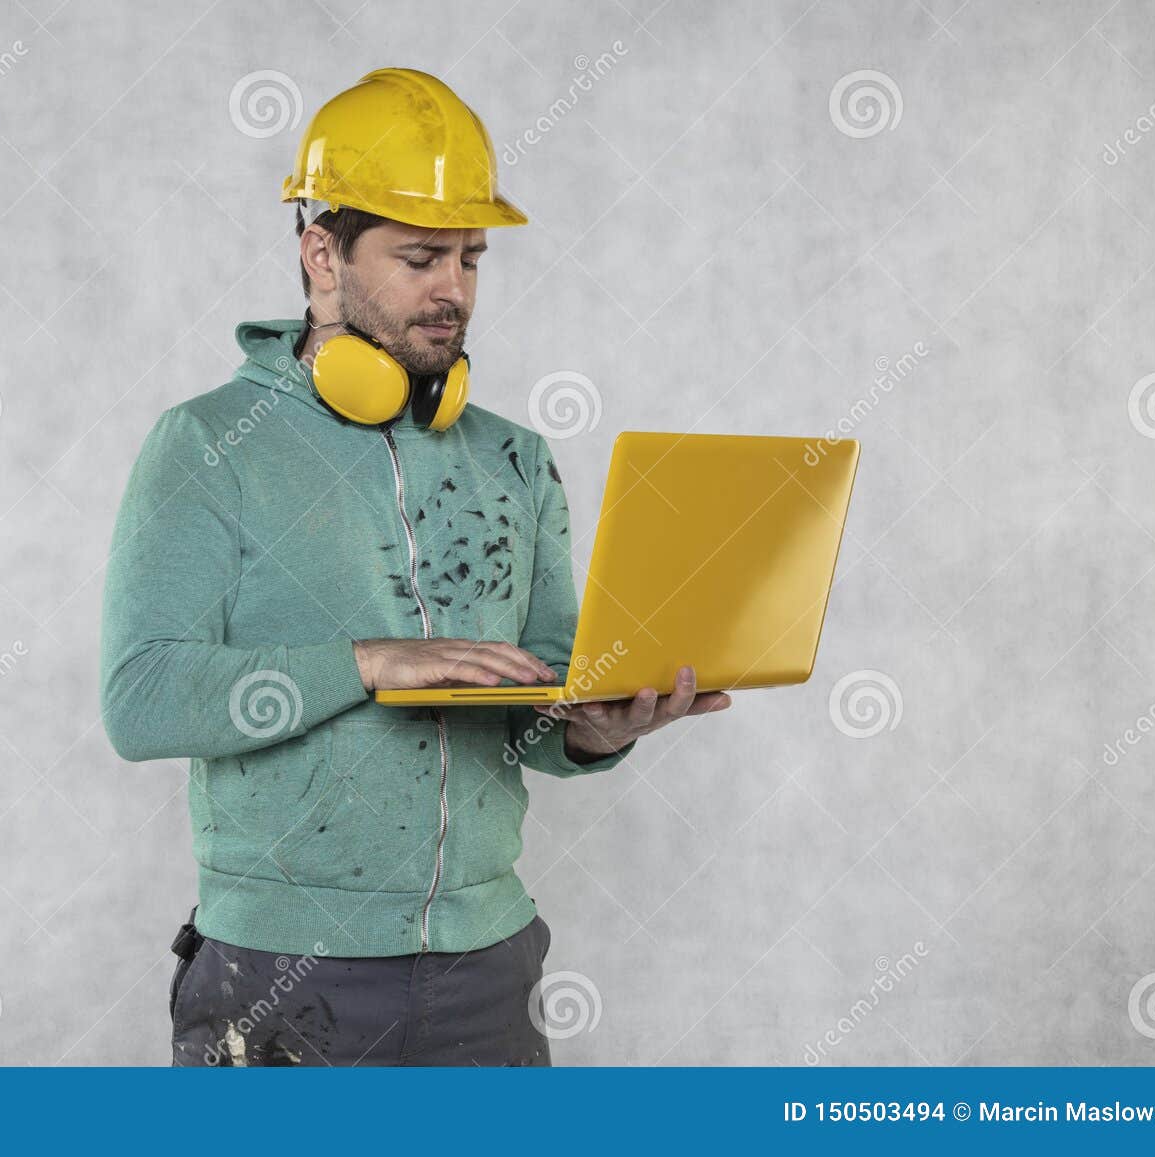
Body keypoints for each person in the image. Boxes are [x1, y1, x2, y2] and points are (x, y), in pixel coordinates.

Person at [99, 67, 731, 1067]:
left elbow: (540, 692)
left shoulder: (514, 456)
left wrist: (594, 729)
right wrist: (365, 661)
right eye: (421, 256)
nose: (456, 289)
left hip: (491, 964)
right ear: (321, 255)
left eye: (471, 259)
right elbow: (142, 698)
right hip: (282, 972)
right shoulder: (207, 443)